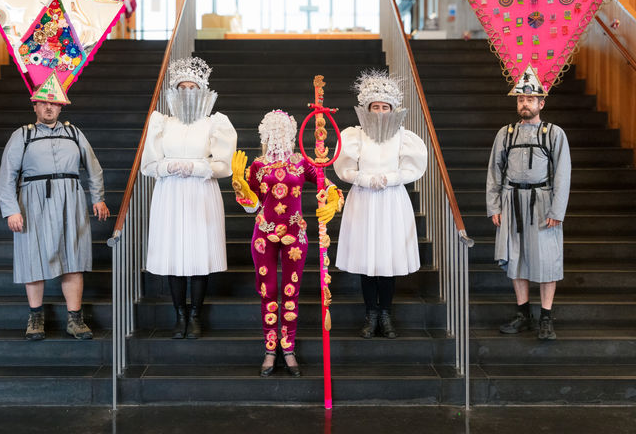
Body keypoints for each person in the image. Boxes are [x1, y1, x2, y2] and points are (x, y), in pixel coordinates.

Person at [231, 110, 343, 377]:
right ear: (265, 134)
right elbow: (253, 204)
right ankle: (271, 348)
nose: (278, 137)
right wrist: (242, 190)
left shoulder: (301, 162)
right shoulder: (257, 165)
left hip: (296, 234)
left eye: (283, 131)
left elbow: (325, 185)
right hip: (264, 235)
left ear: (292, 134)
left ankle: (288, 347)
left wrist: (333, 197)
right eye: (273, 131)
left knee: (291, 291)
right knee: (268, 290)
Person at [0, 90, 110, 342]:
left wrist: (98, 198)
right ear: (35, 107)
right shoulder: (22, 135)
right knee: (33, 257)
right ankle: (36, 318)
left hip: (70, 199)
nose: (49, 107)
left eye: (54, 104)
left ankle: (75, 318)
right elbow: (7, 175)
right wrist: (11, 209)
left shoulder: (73, 133)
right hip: (33, 202)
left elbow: (93, 167)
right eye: (44, 103)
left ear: (60, 108)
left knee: (73, 256)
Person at [141, 57, 237, 339]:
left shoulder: (214, 124)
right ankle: (178, 314)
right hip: (170, 192)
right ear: (174, 91)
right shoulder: (162, 123)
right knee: (174, 253)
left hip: (200, 192)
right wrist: (167, 166)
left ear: (202, 91)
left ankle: (195, 314)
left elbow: (224, 166)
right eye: (181, 87)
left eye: (192, 87)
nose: (186, 92)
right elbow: (148, 165)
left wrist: (196, 167)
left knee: (197, 253)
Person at [334, 71, 427, 339]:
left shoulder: (402, 137)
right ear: (367, 109)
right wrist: (362, 177)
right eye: (375, 107)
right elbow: (344, 168)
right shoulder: (355, 136)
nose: (380, 112)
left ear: (393, 109)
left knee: (387, 258)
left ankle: (385, 313)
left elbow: (412, 169)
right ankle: (370, 313)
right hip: (363, 200)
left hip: (391, 200)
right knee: (367, 258)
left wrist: (390, 178)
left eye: (385, 107)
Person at [486, 68, 571, 341]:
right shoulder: (506, 133)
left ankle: (546, 317)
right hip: (512, 202)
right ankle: (524, 314)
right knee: (517, 257)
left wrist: (557, 210)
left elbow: (562, 174)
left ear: (541, 103)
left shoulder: (554, 134)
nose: (525, 104)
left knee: (547, 261)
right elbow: (494, 172)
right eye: (521, 100)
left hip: (543, 203)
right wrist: (495, 206)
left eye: (531, 99)